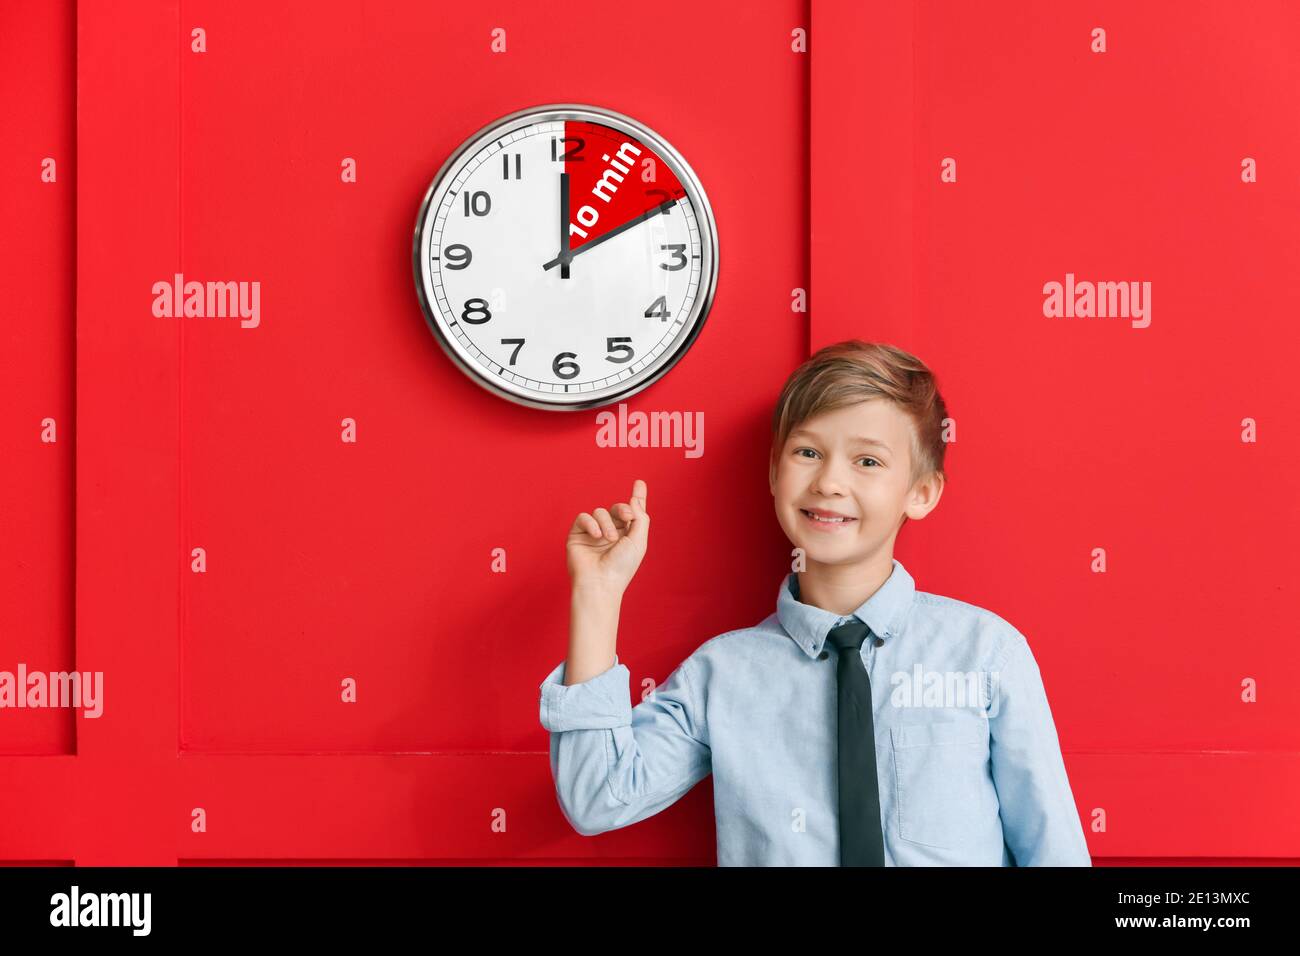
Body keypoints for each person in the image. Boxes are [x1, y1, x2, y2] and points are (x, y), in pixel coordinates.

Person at [537, 340, 1091, 866]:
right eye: (808, 452)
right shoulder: (723, 674)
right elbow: (596, 800)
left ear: (920, 493)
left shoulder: (985, 654)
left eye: (867, 462)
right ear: (775, 473)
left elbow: (1053, 849)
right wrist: (598, 596)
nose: (829, 482)